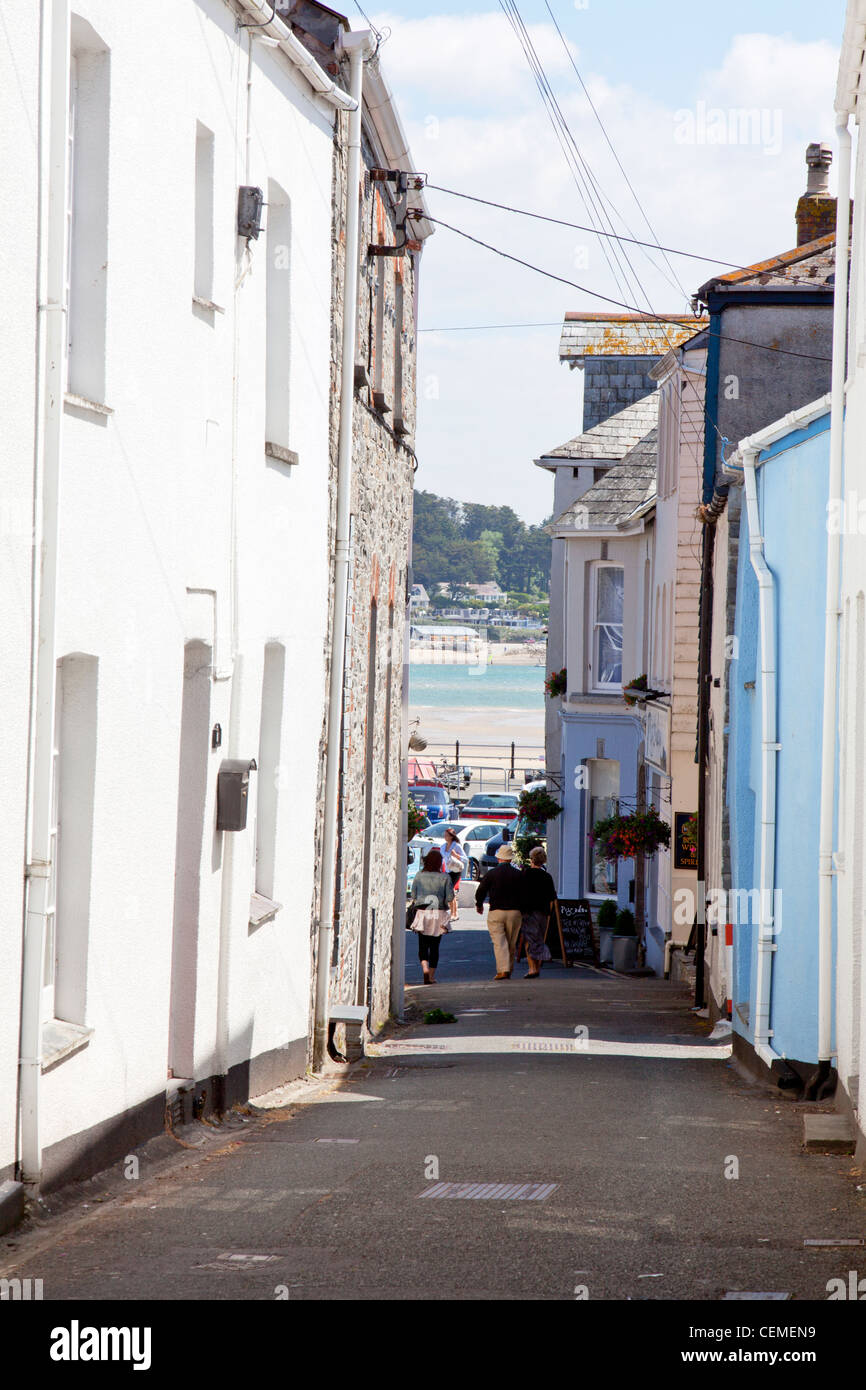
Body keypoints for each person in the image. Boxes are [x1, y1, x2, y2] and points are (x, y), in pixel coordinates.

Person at [475, 843, 524, 980]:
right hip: (515, 912)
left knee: (499, 942)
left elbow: (481, 890)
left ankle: (503, 970)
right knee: (511, 942)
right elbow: (524, 893)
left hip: (496, 911)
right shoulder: (519, 874)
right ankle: (508, 969)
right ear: (511, 859)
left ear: (499, 858)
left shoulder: (492, 873)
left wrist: (479, 904)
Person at [409, 848, 454, 984]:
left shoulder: (419, 875)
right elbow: (450, 897)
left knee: (422, 945)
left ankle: (425, 969)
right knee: (435, 946)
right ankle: (431, 976)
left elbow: (413, 895)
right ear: (439, 863)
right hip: (438, 913)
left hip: (422, 913)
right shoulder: (445, 877)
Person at [520, 845, 555, 978]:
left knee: (529, 939)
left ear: (532, 859)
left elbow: (520, 893)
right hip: (543, 912)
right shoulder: (547, 876)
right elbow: (552, 897)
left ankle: (532, 968)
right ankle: (537, 967)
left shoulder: (525, 874)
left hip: (528, 912)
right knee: (539, 938)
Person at [439, 825, 468, 921]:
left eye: (447, 835)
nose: (445, 837)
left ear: (451, 836)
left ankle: (453, 913)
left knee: (450, 891)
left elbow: (465, 859)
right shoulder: (443, 847)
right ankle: (454, 913)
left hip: (455, 871)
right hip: (447, 871)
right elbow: (442, 859)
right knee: (450, 892)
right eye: (444, 835)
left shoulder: (456, 846)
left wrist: (456, 855)